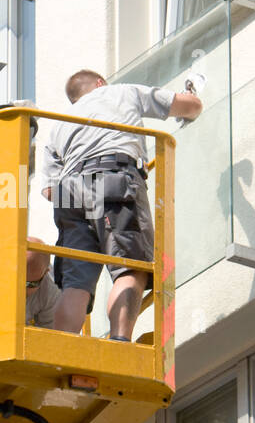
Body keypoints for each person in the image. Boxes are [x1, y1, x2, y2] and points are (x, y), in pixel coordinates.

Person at [40, 69, 202, 341]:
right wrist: (194, 100)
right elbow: (187, 106)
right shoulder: (119, 92)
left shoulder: (59, 126)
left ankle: (61, 347)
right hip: (113, 177)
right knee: (130, 266)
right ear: (101, 83)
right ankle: (119, 342)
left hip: (68, 193)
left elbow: (48, 191)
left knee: (75, 283)